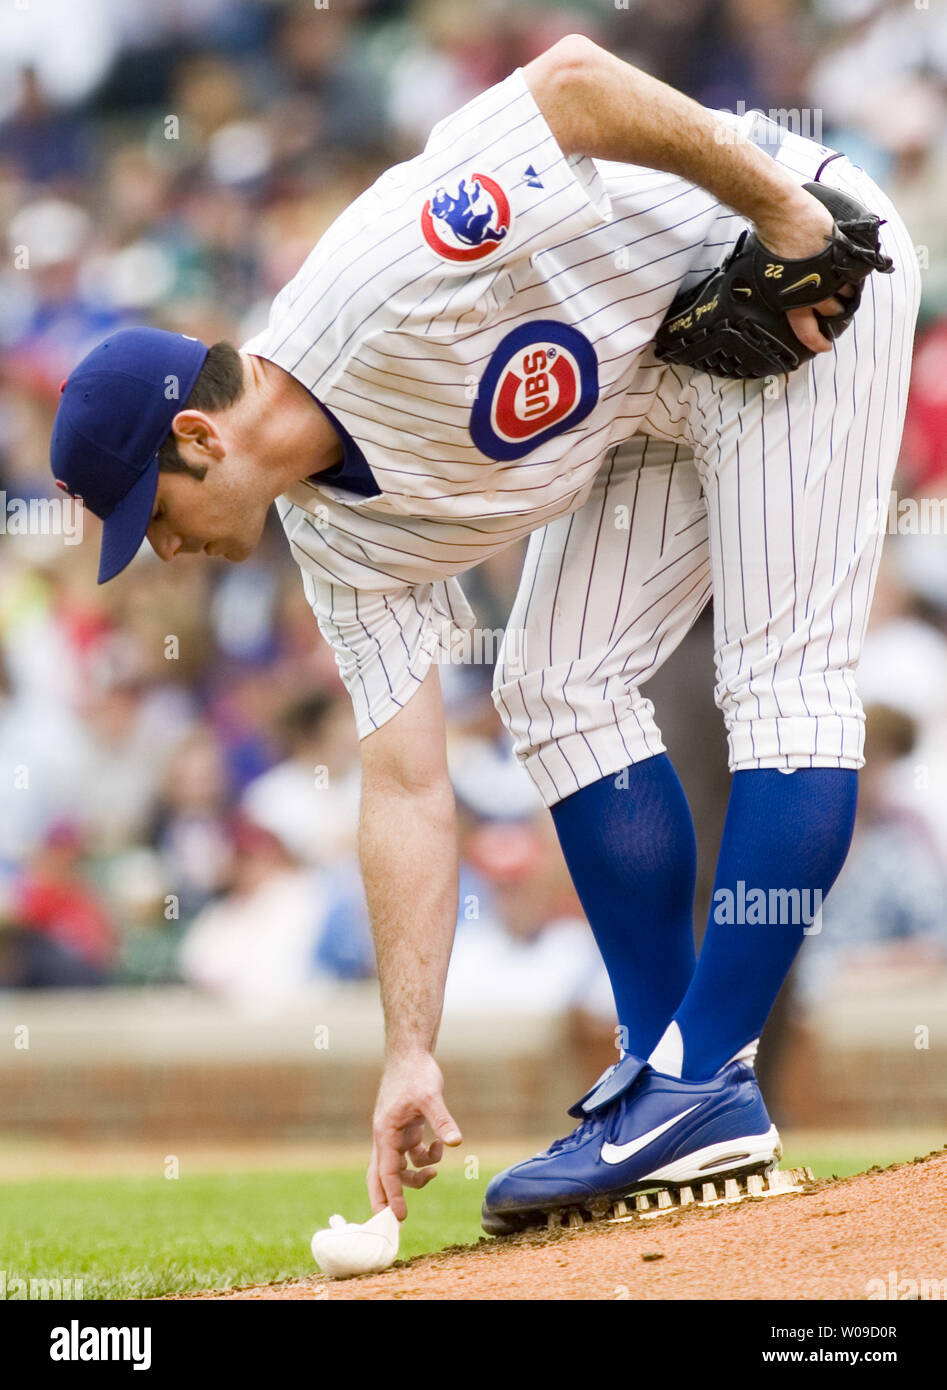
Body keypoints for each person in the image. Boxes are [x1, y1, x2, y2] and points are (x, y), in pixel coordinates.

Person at [49, 35, 919, 1234]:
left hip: (792, 270)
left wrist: (782, 216)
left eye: (154, 515)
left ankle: (703, 1075)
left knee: (780, 677)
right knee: (553, 681)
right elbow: (404, 786)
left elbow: (569, 83)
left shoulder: (379, 283)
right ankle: (667, 1077)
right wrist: (410, 1053)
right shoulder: (343, 552)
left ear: (199, 438)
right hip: (653, 379)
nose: (163, 549)